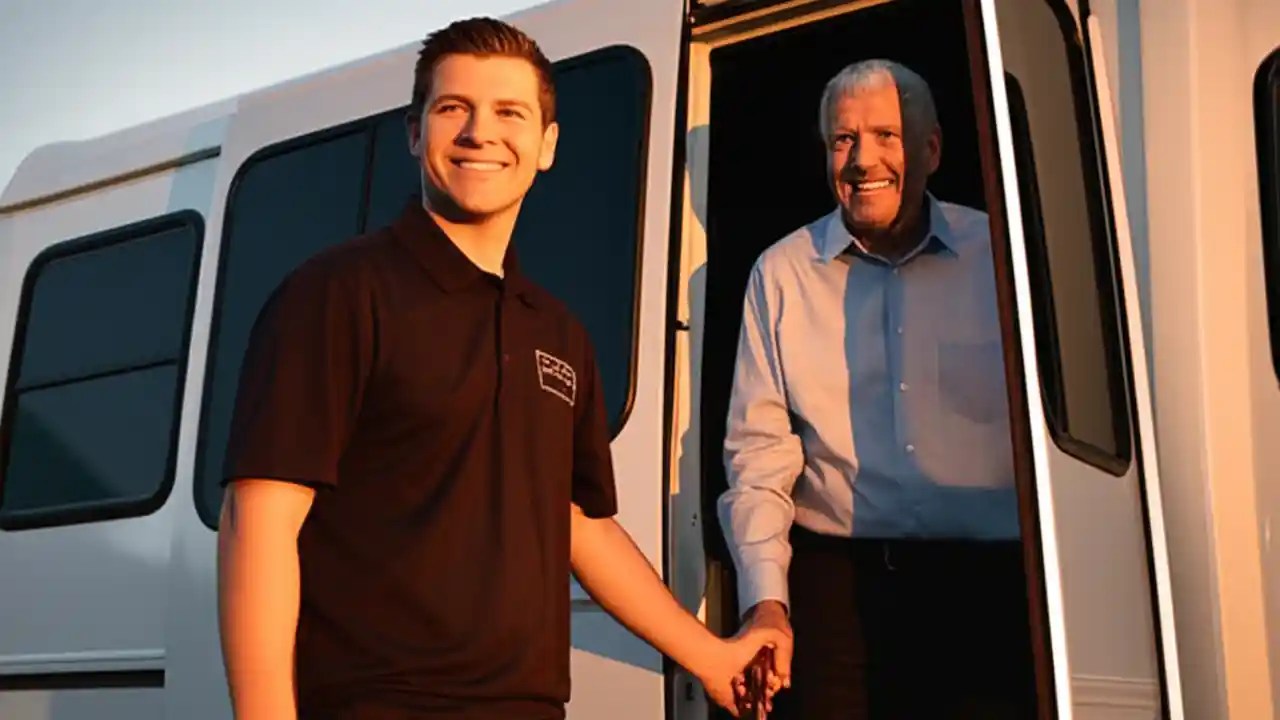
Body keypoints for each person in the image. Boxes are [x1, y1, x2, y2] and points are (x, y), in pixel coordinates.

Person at [215, 17, 780, 720]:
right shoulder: (337, 294)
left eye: (509, 112)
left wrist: (709, 655)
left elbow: (580, 523)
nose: (480, 132)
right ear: (415, 133)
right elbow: (258, 518)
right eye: (453, 108)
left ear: (546, 146)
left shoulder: (559, 332)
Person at [719, 58, 1038, 718]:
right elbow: (758, 460)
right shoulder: (780, 274)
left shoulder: (1004, 258)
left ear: (932, 149)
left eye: (886, 136)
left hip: (991, 593)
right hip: (838, 595)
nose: (863, 160)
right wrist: (767, 602)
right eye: (843, 139)